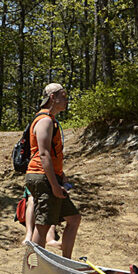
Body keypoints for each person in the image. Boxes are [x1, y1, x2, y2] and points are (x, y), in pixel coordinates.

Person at [25, 82, 80, 259]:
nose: (66, 100)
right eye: (63, 96)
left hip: (50, 177)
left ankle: (66, 261)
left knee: (73, 218)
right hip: (42, 177)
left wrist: (60, 175)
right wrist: (55, 185)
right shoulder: (45, 121)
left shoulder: (51, 120)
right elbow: (43, 154)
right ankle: (33, 265)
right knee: (43, 225)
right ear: (52, 98)